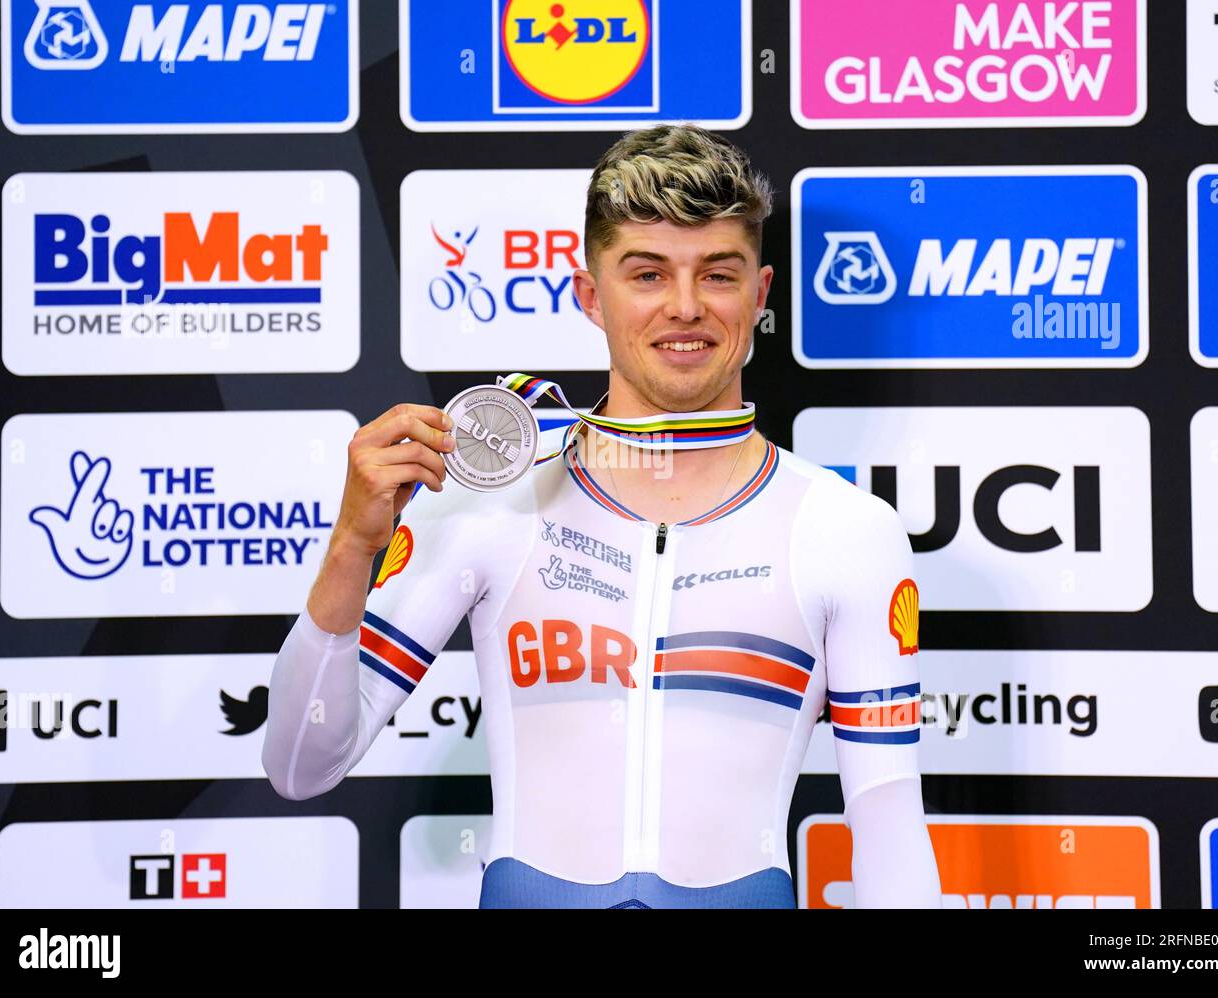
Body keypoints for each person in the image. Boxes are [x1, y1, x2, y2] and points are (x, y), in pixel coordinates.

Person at [262, 123, 942, 909]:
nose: (684, 309)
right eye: (647, 274)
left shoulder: (845, 529)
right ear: (590, 295)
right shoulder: (490, 497)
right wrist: (351, 544)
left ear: (759, 295)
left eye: (716, 276)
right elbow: (301, 765)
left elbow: (888, 825)